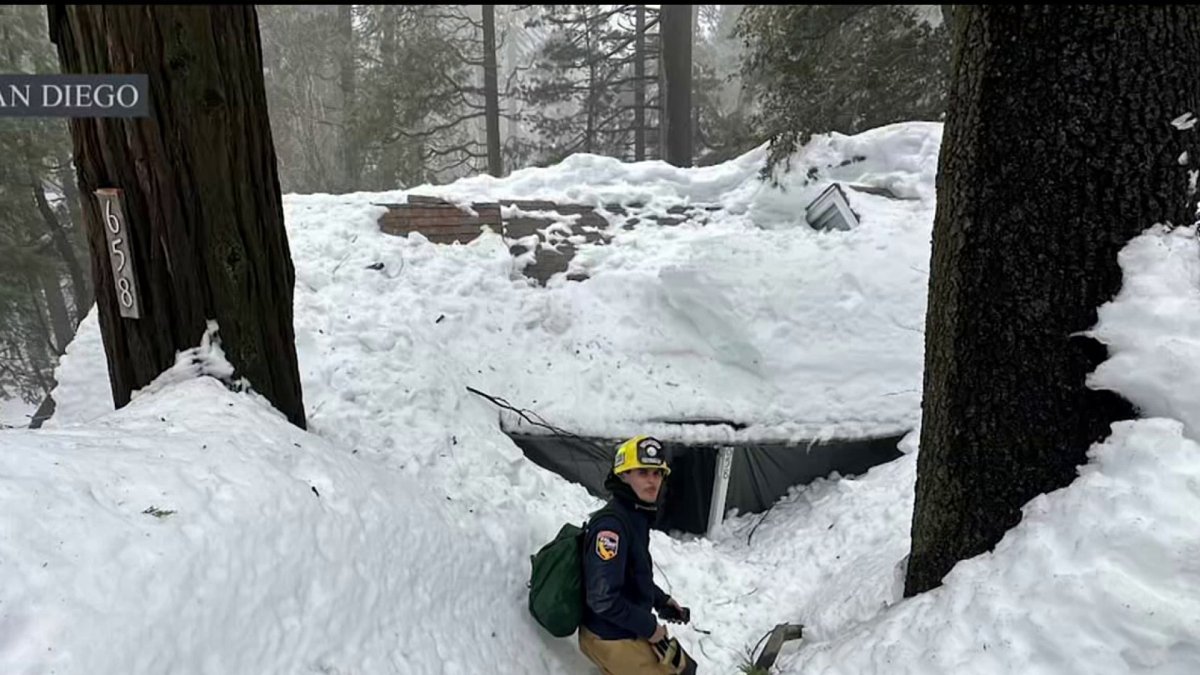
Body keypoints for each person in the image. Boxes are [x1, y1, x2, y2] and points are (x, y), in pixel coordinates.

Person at [578, 435, 694, 674]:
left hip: (624, 628)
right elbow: (603, 599)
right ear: (623, 476)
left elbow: (632, 573)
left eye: (657, 473)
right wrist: (649, 628)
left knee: (686, 668)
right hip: (609, 636)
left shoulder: (634, 515)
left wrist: (661, 600)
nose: (652, 482)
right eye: (642, 473)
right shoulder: (611, 527)